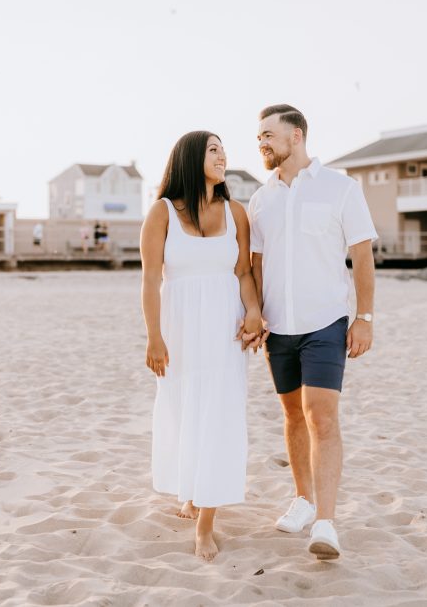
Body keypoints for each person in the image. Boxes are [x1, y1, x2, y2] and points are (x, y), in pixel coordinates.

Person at [247, 104, 378, 561]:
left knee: (321, 415)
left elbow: (361, 254)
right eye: (258, 136)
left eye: (268, 134)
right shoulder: (260, 198)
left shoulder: (340, 187)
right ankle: (302, 500)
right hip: (278, 326)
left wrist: (365, 317)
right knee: (292, 416)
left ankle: (325, 521)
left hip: (326, 322)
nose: (261, 142)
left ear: (296, 135)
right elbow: (256, 263)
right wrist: (255, 314)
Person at [140, 130, 263, 562]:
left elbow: (245, 273)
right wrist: (154, 337)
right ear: (191, 158)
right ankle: (190, 491)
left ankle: (205, 524)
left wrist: (253, 312)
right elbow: (151, 280)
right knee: (184, 409)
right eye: (213, 149)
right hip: (178, 330)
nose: (223, 156)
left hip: (223, 330)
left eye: (224, 149)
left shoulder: (236, 212)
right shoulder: (161, 213)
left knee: (219, 414)